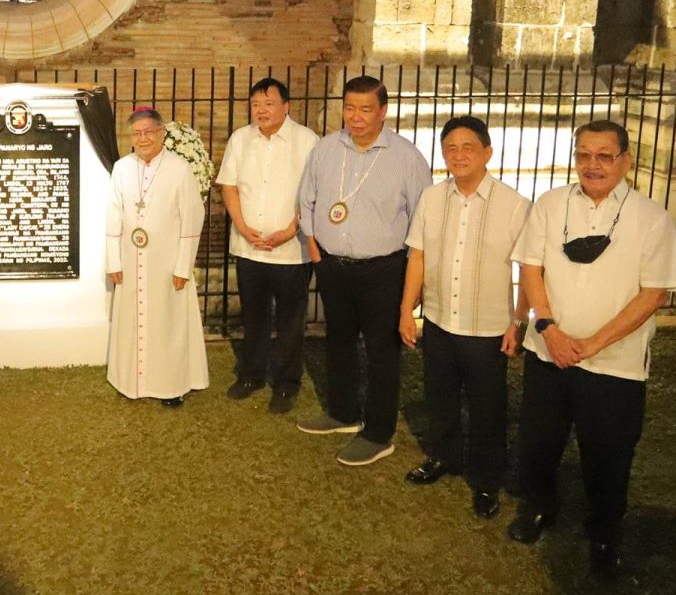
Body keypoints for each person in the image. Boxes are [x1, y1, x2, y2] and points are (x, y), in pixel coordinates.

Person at [507, 120, 676, 580]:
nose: (593, 165)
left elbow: (654, 294)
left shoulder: (651, 218)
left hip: (614, 365)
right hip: (548, 353)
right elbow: (531, 267)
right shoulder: (550, 205)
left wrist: (590, 345)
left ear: (626, 160)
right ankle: (540, 505)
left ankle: (605, 530)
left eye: (605, 155)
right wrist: (548, 328)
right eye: (584, 154)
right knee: (539, 440)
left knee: (608, 453)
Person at [398, 115, 530, 520]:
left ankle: (487, 479)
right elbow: (418, 256)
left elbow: (529, 268)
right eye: (451, 149)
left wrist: (519, 321)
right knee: (439, 398)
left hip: (486, 327)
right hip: (439, 319)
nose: (459, 156)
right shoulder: (432, 198)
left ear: (487, 152)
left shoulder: (513, 205)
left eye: (468, 147)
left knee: (488, 407)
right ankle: (444, 456)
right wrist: (407, 309)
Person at [295, 75, 432, 465]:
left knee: (381, 352)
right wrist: (314, 249)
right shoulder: (326, 149)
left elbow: (423, 220)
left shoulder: (406, 158)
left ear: (383, 111)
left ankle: (378, 432)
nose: (355, 117)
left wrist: (415, 280)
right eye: (350, 108)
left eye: (365, 109)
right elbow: (306, 200)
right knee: (338, 341)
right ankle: (343, 413)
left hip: (383, 270)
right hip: (332, 265)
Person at [216, 77, 319, 413]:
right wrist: (242, 226)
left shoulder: (307, 141)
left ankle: (287, 383)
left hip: (291, 249)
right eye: (256, 104)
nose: (261, 110)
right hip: (248, 247)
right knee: (254, 315)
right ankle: (252, 375)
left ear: (286, 106)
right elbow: (229, 186)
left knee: (291, 320)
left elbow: (314, 193)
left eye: (269, 103)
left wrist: (291, 229)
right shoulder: (241, 139)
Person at [105, 107, 209, 406]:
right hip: (130, 259)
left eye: (149, 132)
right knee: (132, 322)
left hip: (166, 263)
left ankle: (171, 386)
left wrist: (183, 267)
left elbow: (192, 219)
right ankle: (130, 383)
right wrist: (113, 261)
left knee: (168, 324)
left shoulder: (179, 168)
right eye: (137, 133)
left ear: (161, 133)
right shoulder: (122, 168)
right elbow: (113, 216)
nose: (143, 138)